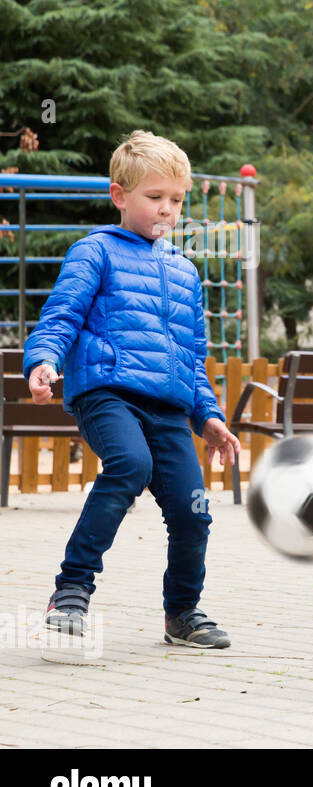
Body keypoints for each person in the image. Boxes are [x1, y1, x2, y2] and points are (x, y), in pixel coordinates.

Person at [24, 130, 241, 648]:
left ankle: (183, 614)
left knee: (194, 510)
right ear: (120, 196)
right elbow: (61, 315)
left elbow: (192, 359)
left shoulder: (185, 273)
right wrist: (44, 360)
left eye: (176, 200)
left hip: (168, 407)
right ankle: (71, 590)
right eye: (154, 198)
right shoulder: (94, 251)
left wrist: (207, 417)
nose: (167, 210)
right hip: (107, 394)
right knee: (130, 464)